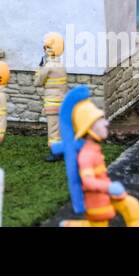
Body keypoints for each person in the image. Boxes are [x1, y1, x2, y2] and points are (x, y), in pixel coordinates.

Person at [59, 89, 114, 227]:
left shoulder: (94, 149)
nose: (106, 123)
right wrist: (110, 187)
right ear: (88, 128)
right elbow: (88, 182)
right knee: (99, 223)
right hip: (96, 201)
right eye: (99, 120)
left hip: (105, 196)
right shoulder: (87, 155)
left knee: (132, 206)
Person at [34, 34, 67, 161]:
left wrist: (39, 68)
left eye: (47, 47)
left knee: (53, 128)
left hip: (52, 102)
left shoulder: (48, 66)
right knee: (59, 127)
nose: (45, 50)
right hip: (62, 101)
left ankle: (55, 153)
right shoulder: (61, 66)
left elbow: (38, 82)